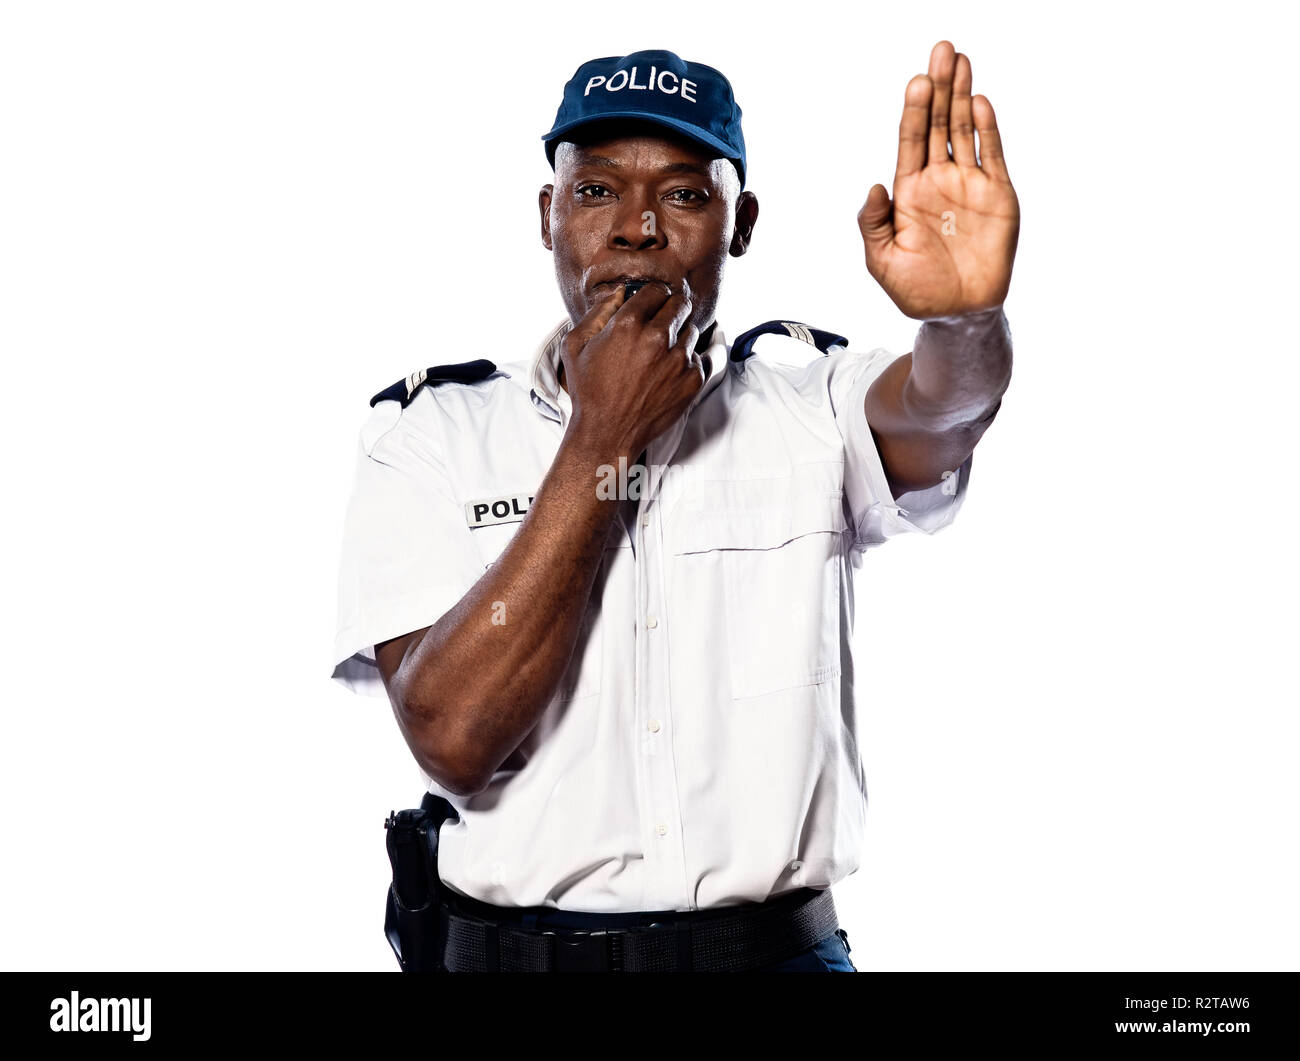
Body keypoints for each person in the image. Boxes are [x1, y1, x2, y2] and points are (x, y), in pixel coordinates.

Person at [330, 42, 1018, 972]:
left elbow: (943, 409)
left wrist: (963, 321)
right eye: (596, 190)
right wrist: (602, 439)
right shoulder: (431, 439)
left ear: (743, 225)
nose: (637, 227)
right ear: (547, 216)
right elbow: (452, 736)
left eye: (686, 195)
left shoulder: (808, 409)